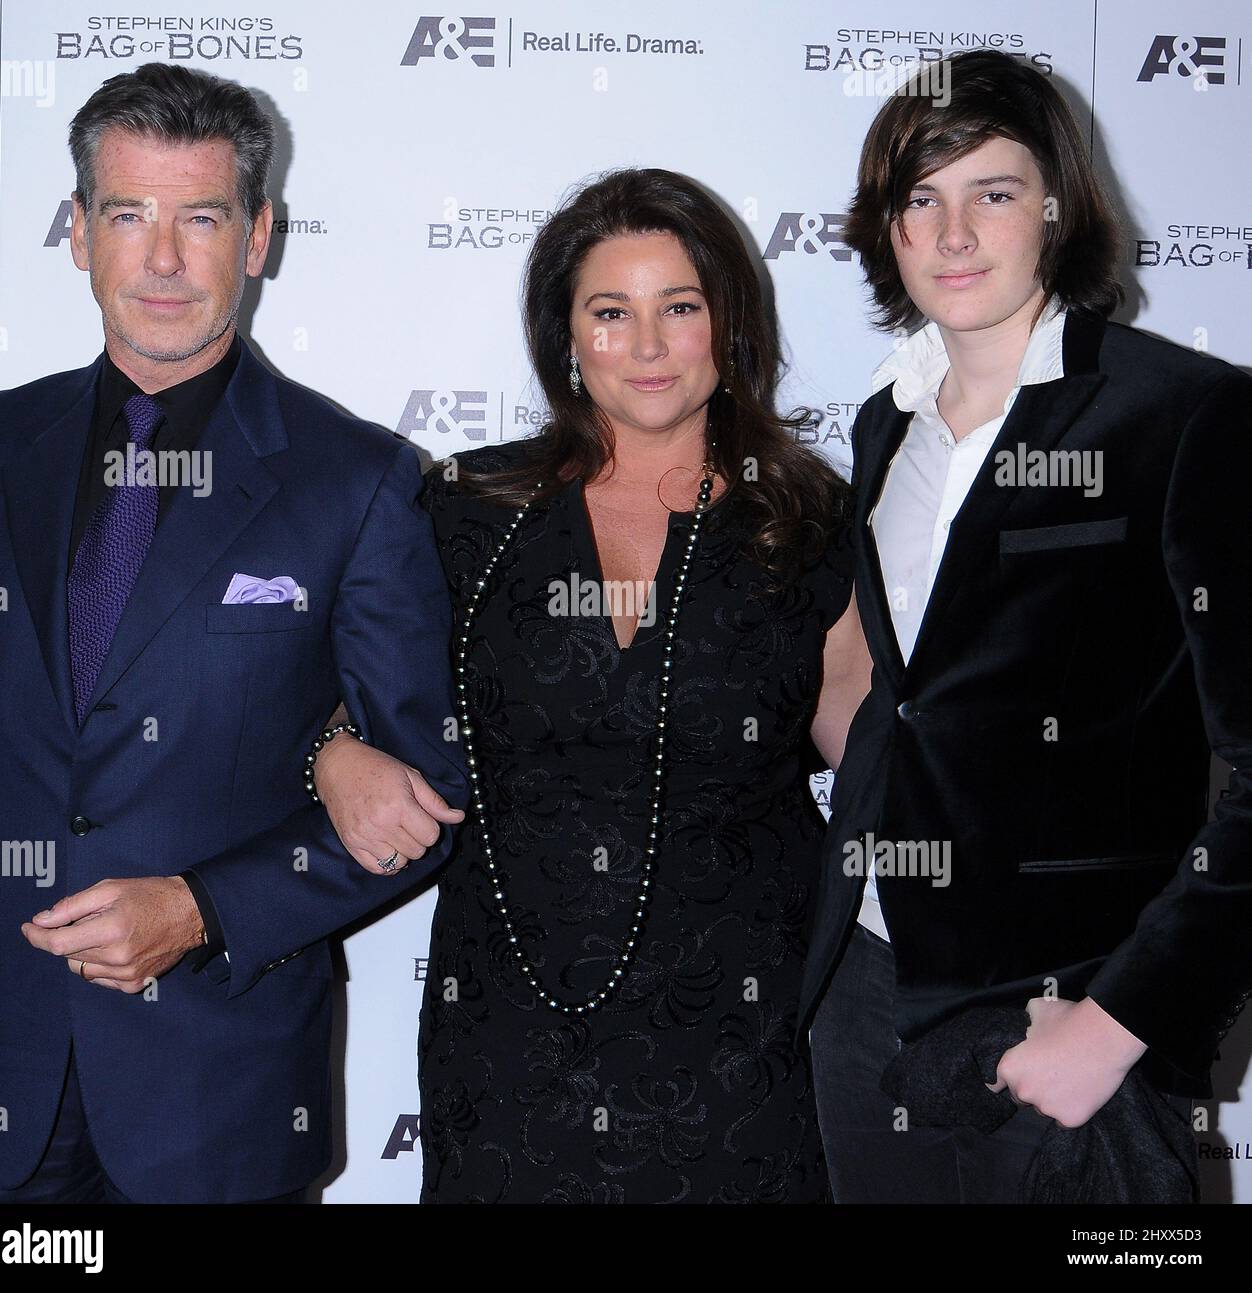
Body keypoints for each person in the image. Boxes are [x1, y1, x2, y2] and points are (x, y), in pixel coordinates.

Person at [0, 62, 465, 1204]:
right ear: (80, 234)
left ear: (261, 235)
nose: (166, 260)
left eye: (202, 217)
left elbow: (419, 798)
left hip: (213, 1106)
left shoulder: (357, 482)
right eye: (130, 215)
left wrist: (200, 909)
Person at [309, 167, 871, 1203]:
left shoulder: (805, 522)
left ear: (730, 324)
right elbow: (343, 692)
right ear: (567, 335)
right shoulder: (469, 508)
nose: (647, 346)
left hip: (745, 1032)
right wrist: (332, 753)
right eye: (610, 312)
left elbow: (882, 761)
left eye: (681, 308)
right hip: (512, 1029)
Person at [797, 49, 1252, 1203]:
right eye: (919, 199)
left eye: (990, 194)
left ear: (1056, 210)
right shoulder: (880, 429)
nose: (951, 234)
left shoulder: (1182, 415)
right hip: (865, 998)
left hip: (1065, 1015)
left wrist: (1116, 1025)